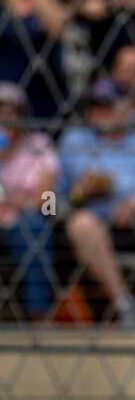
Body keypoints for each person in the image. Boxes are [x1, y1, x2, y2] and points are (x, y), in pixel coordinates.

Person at [59, 78, 135, 327]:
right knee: (80, 223)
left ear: (129, 111)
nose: (100, 114)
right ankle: (124, 305)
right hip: (102, 223)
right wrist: (80, 193)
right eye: (96, 107)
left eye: (108, 106)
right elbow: (55, 199)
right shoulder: (75, 140)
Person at [0, 82, 58, 318]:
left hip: (25, 218)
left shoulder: (39, 144)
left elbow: (43, 198)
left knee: (34, 227)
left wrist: (14, 202)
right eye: (0, 109)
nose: (6, 116)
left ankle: (37, 313)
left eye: (12, 109)